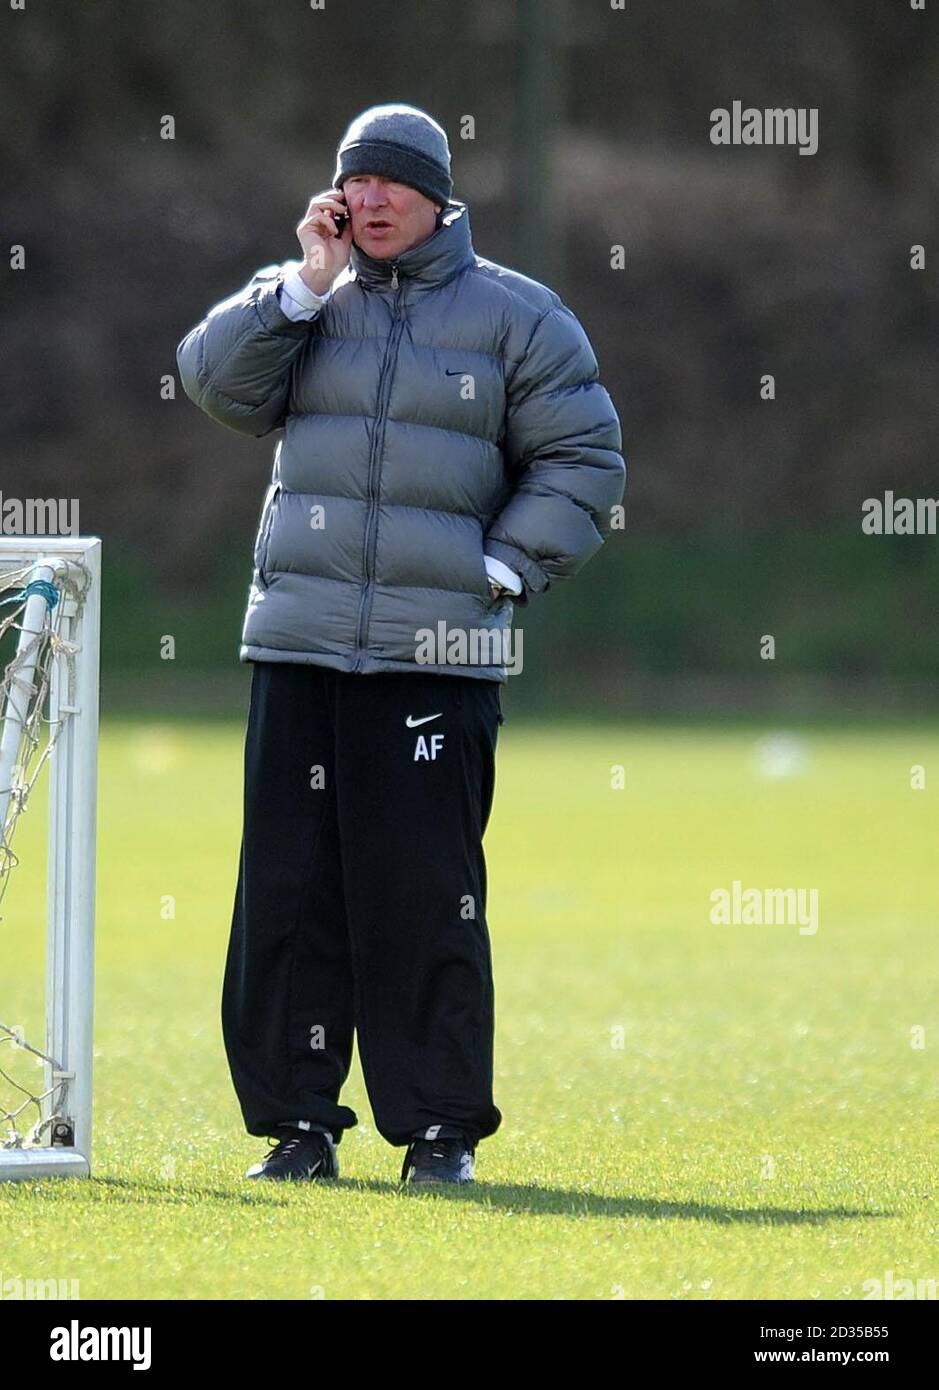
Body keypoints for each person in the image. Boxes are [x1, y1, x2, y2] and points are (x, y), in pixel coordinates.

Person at [176, 102, 626, 1186]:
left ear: (436, 194)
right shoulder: (300, 302)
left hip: (438, 657)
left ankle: (439, 1132)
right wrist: (300, 285)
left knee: (425, 896)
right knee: (288, 892)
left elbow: (585, 459)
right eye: (354, 184)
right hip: (301, 648)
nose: (370, 200)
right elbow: (212, 382)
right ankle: (297, 1124)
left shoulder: (520, 314)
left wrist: (506, 567)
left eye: (390, 184)